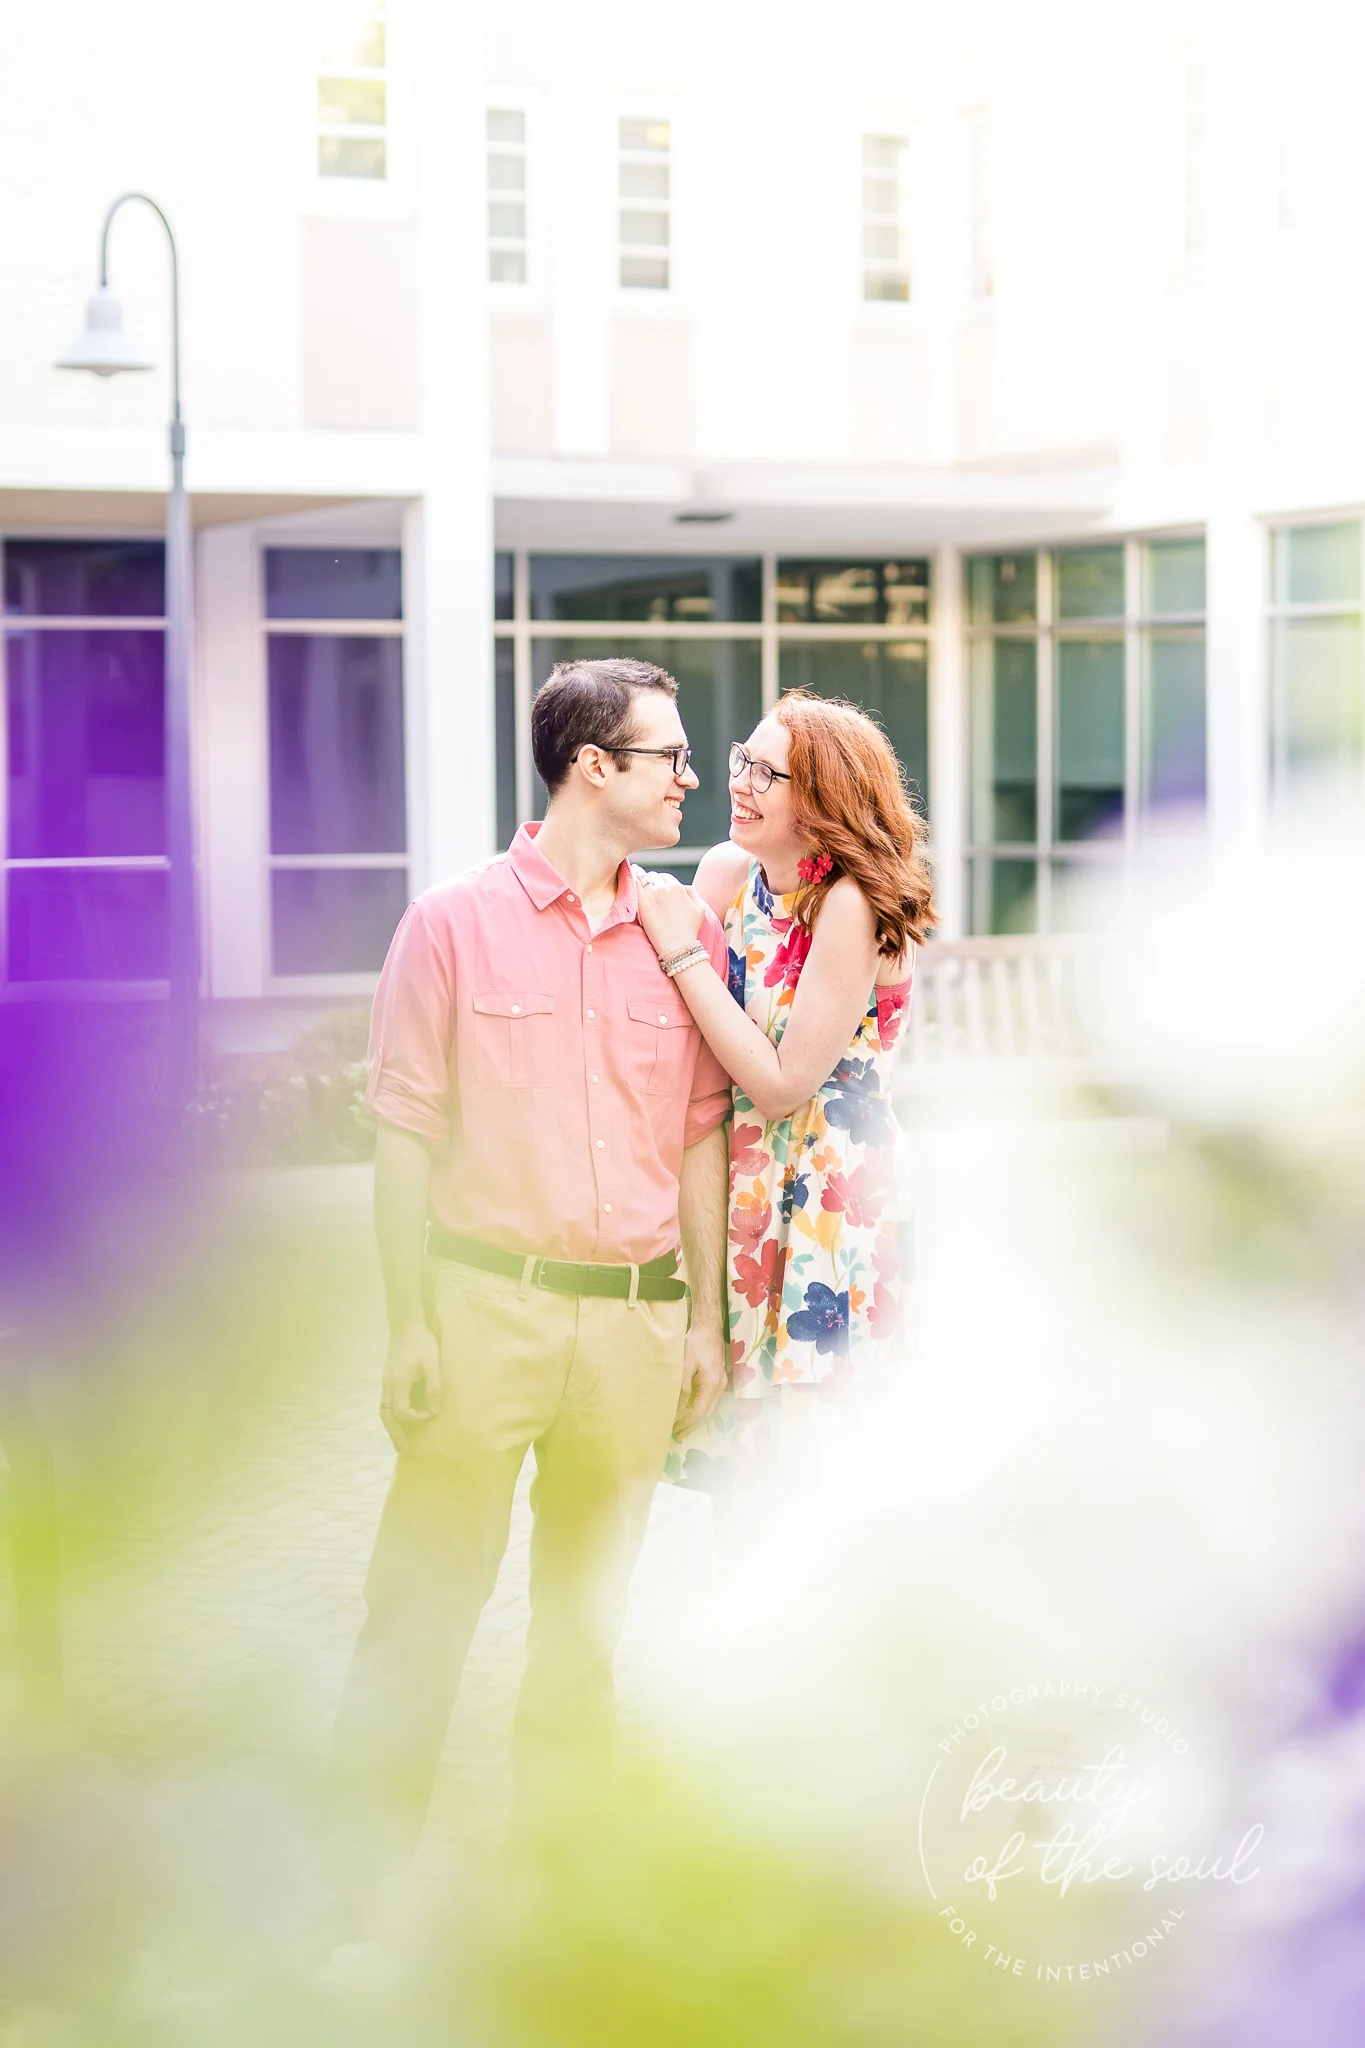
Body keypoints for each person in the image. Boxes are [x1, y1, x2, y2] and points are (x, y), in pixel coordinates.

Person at [328, 656, 732, 1917]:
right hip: (482, 1308)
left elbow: (702, 1136)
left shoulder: (687, 932)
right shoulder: (449, 922)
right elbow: (402, 1130)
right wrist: (406, 1321)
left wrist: (705, 1323)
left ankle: (565, 1892)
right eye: (668, 754)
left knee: (585, 1626)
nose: (692, 776)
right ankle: (340, 1883)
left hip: (633, 1323)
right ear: (591, 767)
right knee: (421, 1607)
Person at [634, 689, 937, 1494]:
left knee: (816, 1467)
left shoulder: (852, 902)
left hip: (828, 1196)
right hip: (744, 1186)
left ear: (823, 798)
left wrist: (682, 956)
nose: (739, 782)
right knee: (742, 1463)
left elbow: (779, 1085)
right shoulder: (727, 873)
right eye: (742, 760)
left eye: (768, 773)